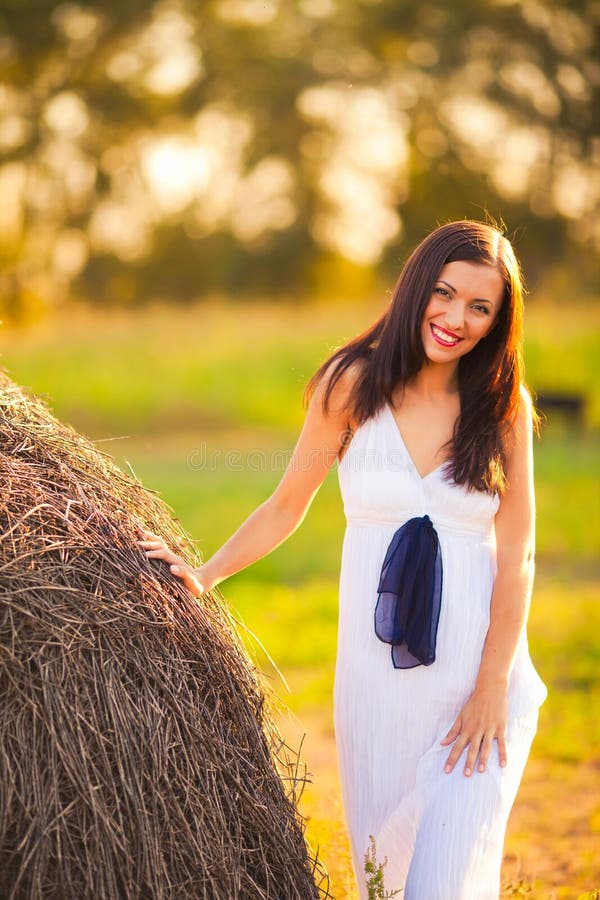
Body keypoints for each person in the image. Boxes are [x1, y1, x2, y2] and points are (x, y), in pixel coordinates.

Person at [138, 219, 547, 899]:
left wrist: (492, 687)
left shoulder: (503, 406)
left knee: (440, 885)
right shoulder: (350, 384)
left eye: (482, 307)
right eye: (445, 294)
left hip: (478, 681)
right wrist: (205, 575)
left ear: (500, 321)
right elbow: (285, 504)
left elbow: (519, 553)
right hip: (377, 686)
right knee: (383, 881)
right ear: (418, 286)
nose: (457, 319)